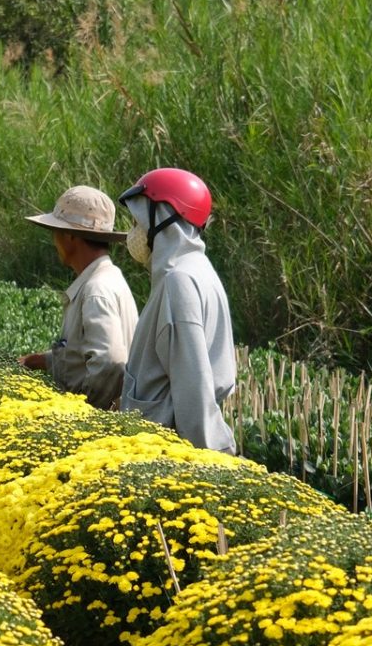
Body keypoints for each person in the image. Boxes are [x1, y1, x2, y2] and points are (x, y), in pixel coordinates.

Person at [118, 168, 237, 453]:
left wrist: (209, 461)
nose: (133, 232)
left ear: (162, 216)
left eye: (137, 221)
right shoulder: (197, 270)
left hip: (163, 452)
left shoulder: (178, 281)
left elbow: (193, 390)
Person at [17, 185, 139, 409]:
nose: (55, 241)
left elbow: (110, 362)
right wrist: (42, 360)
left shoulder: (96, 290)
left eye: (56, 232)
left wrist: (83, 413)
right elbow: (84, 353)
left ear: (70, 236)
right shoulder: (109, 277)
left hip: (98, 422)